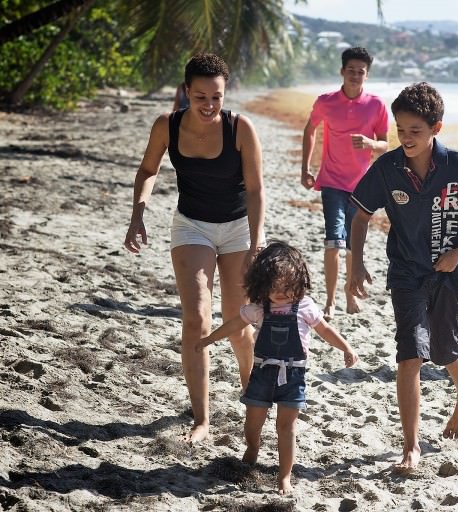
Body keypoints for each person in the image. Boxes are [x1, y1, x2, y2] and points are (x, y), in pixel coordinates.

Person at [347, 82, 458, 472]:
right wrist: (356, 263)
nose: (406, 138)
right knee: (410, 354)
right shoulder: (386, 169)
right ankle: (411, 447)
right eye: (400, 130)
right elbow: (362, 215)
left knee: (444, 349)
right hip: (406, 273)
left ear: (436, 128)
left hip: (452, 274)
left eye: (415, 130)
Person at [124, 53, 266, 443]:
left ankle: (250, 386)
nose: (208, 105)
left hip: (238, 229)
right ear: (187, 91)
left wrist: (256, 242)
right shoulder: (167, 126)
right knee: (196, 319)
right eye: (200, 96)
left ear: (225, 93)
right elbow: (147, 170)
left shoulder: (241, 128)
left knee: (238, 324)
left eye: (216, 97)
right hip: (191, 226)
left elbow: (255, 189)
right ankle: (201, 419)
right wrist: (138, 214)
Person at [195, 241, 358, 494]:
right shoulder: (260, 308)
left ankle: (284, 477)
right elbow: (234, 324)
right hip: (262, 373)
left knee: (286, 427)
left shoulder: (305, 306)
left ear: (299, 282)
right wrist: (209, 339)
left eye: (288, 286)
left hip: (293, 375)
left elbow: (325, 330)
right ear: (263, 283)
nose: (281, 292)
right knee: (253, 422)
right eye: (274, 286)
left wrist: (346, 347)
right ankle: (252, 447)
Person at [301, 46, 389, 321]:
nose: (355, 75)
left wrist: (370, 143)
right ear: (342, 71)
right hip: (332, 183)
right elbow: (310, 129)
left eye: (360, 72)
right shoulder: (326, 102)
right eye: (350, 70)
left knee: (354, 246)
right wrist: (305, 167)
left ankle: (350, 295)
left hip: (362, 187)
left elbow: (385, 144)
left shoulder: (376, 105)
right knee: (333, 243)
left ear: (367, 74)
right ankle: (329, 302)